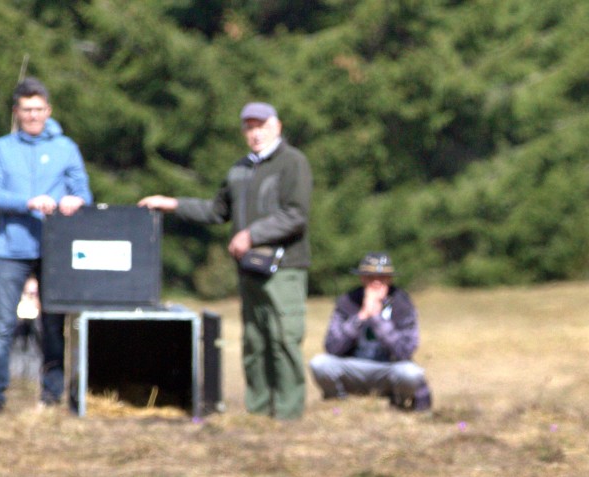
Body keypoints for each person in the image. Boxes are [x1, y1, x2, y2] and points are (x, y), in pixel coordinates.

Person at [139, 102, 312, 420]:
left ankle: (288, 416)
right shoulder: (239, 169)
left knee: (284, 338)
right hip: (250, 269)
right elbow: (217, 211)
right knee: (254, 341)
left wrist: (252, 235)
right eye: (248, 127)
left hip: (284, 268)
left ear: (277, 126)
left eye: (261, 125)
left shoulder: (293, 162)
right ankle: (258, 412)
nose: (255, 133)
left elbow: (296, 215)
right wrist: (173, 204)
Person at [0, 76, 92, 412]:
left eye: (38, 109)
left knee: (54, 326)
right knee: (3, 326)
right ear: (16, 112)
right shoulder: (0, 148)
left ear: (48, 110)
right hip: (11, 251)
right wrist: (28, 202)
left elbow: (83, 191)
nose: (33, 115)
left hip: (54, 250)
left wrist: (75, 202)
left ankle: (51, 395)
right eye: (26, 109)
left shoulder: (65, 148)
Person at [309, 252, 431, 411]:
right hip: (353, 368)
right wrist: (361, 316)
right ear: (362, 278)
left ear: (390, 279)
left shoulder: (402, 303)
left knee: (410, 373)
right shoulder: (348, 301)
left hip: (388, 369)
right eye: (370, 277)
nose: (376, 282)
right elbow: (332, 347)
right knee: (320, 363)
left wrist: (377, 318)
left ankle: (400, 405)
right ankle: (338, 406)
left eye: (382, 277)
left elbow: (405, 351)